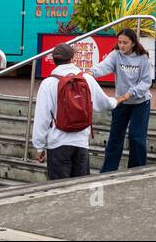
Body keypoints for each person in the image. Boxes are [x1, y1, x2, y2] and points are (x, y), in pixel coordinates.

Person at [32, 42, 117, 179]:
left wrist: (39, 147)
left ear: (54, 61)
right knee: (80, 189)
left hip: (57, 144)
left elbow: (42, 118)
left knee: (59, 190)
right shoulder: (86, 78)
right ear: (73, 58)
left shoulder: (48, 83)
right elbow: (103, 104)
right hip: (81, 142)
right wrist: (116, 100)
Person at [89, 28, 153, 172]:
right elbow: (103, 66)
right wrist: (91, 72)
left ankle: (137, 170)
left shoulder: (143, 58)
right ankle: (108, 171)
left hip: (140, 103)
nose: (122, 46)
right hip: (121, 103)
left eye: (125, 43)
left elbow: (145, 82)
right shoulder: (116, 55)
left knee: (137, 137)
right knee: (115, 137)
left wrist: (129, 94)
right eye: (119, 42)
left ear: (133, 43)